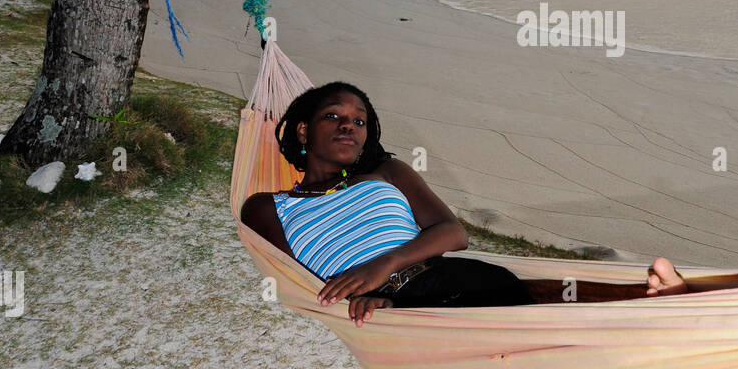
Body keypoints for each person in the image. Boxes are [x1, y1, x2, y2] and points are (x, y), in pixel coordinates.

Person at [240, 81, 692, 325]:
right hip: (389, 309)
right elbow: (297, 281)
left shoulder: (387, 173)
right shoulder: (265, 207)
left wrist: (384, 264)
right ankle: (655, 304)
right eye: (333, 116)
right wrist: (373, 295)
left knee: (537, 311)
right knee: (533, 328)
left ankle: (654, 301)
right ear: (303, 131)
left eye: (359, 121)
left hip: (449, 278)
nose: (349, 126)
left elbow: (453, 234)